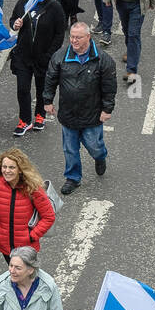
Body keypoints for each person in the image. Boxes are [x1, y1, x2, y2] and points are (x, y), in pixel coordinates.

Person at [43, 21, 117, 195]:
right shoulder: (60, 57)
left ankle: (100, 157)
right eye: (72, 37)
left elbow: (109, 87)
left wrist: (107, 110)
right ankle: (73, 178)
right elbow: (50, 79)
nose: (74, 41)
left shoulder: (103, 60)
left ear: (88, 37)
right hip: (68, 114)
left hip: (92, 115)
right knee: (70, 148)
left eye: (78, 37)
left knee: (94, 146)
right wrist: (47, 101)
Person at [9, 0, 67, 136]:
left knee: (42, 88)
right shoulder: (24, 2)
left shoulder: (55, 8)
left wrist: (49, 55)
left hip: (43, 58)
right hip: (23, 55)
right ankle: (25, 120)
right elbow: (13, 18)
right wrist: (15, 24)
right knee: (22, 88)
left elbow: (59, 34)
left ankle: (40, 115)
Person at [0, 149, 55, 263]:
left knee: (28, 277)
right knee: (13, 274)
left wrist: (32, 236)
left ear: (20, 170)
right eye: (4, 167)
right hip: (5, 245)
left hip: (26, 248)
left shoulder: (33, 188)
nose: (7, 171)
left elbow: (49, 216)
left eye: (12, 167)